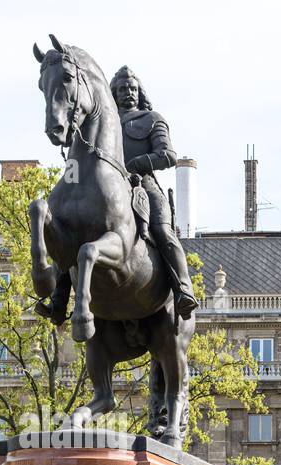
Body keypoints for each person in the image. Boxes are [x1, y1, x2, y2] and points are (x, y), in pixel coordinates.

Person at [108, 66, 197, 318]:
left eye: (133, 89)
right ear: (113, 93)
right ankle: (60, 291)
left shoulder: (151, 119)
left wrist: (135, 164)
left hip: (143, 186)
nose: (128, 93)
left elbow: (168, 155)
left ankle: (183, 288)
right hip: (109, 186)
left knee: (163, 231)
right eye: (123, 89)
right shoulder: (103, 123)